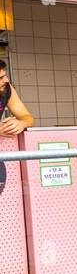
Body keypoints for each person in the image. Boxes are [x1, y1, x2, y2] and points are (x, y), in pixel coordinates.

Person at [0, 60, 35, 198]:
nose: (6, 80)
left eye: (5, 75)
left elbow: (28, 117)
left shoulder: (7, 89)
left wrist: (21, 123)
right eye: (1, 77)